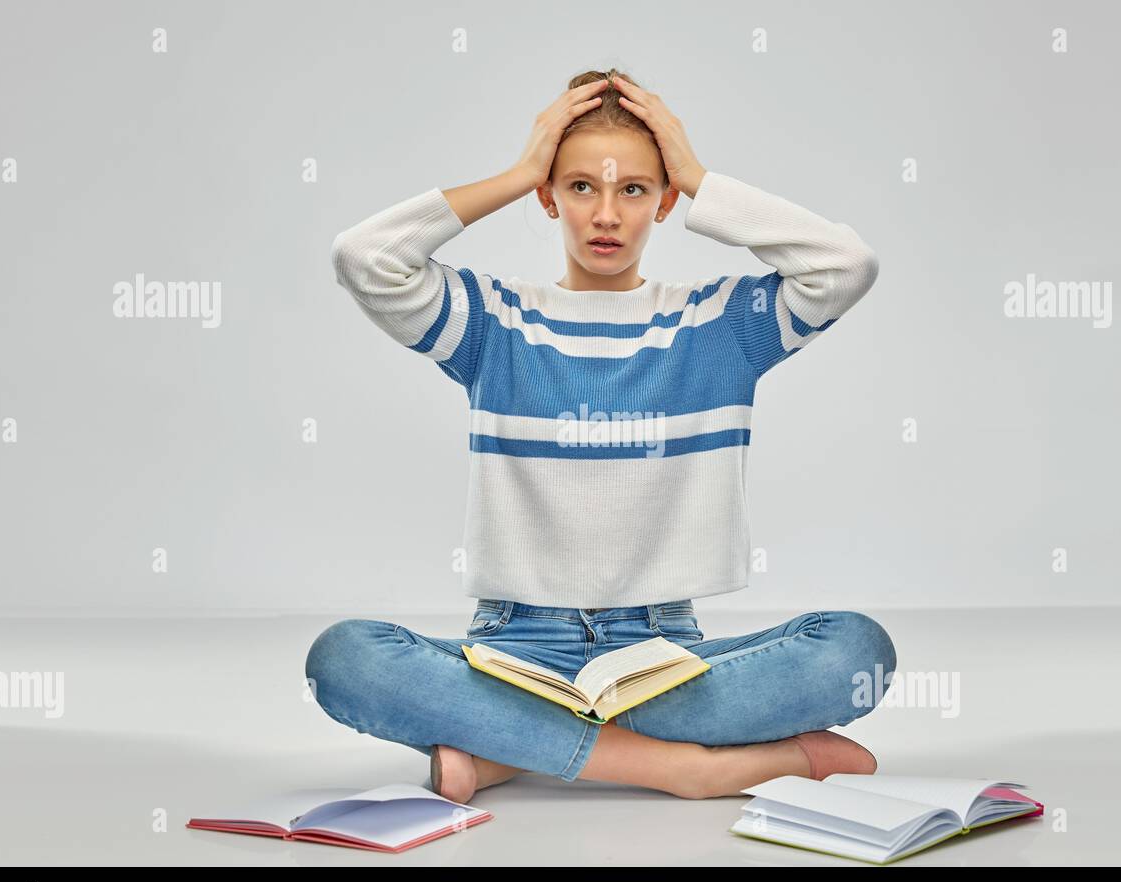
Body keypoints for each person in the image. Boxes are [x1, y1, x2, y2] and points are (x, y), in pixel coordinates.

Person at [307, 69, 895, 804]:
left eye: (635, 189)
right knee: (346, 658)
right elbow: (362, 259)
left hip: (658, 654)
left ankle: (509, 750)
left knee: (853, 651)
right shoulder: (492, 322)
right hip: (514, 644)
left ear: (665, 200)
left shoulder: (721, 328)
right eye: (580, 186)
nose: (606, 214)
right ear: (549, 199)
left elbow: (847, 266)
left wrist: (702, 177)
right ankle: (683, 768)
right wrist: (519, 172)